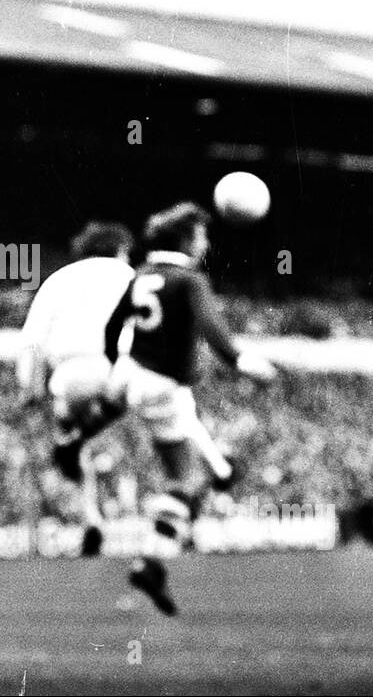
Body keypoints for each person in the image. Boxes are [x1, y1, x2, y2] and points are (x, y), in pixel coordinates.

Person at [104, 202, 277, 614]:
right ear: (187, 238)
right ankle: (150, 560)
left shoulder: (143, 275)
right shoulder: (188, 279)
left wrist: (121, 366)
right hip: (165, 386)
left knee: (203, 475)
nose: (206, 242)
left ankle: (159, 554)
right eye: (202, 235)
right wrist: (240, 361)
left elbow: (112, 329)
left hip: (143, 382)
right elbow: (210, 325)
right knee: (187, 481)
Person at [17, 221, 136, 547]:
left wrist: (29, 388)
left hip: (68, 378)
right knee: (155, 430)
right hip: (118, 371)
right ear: (120, 250)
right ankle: (176, 523)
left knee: (78, 449)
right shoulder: (128, 275)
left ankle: (91, 517)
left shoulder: (58, 279)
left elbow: (33, 341)